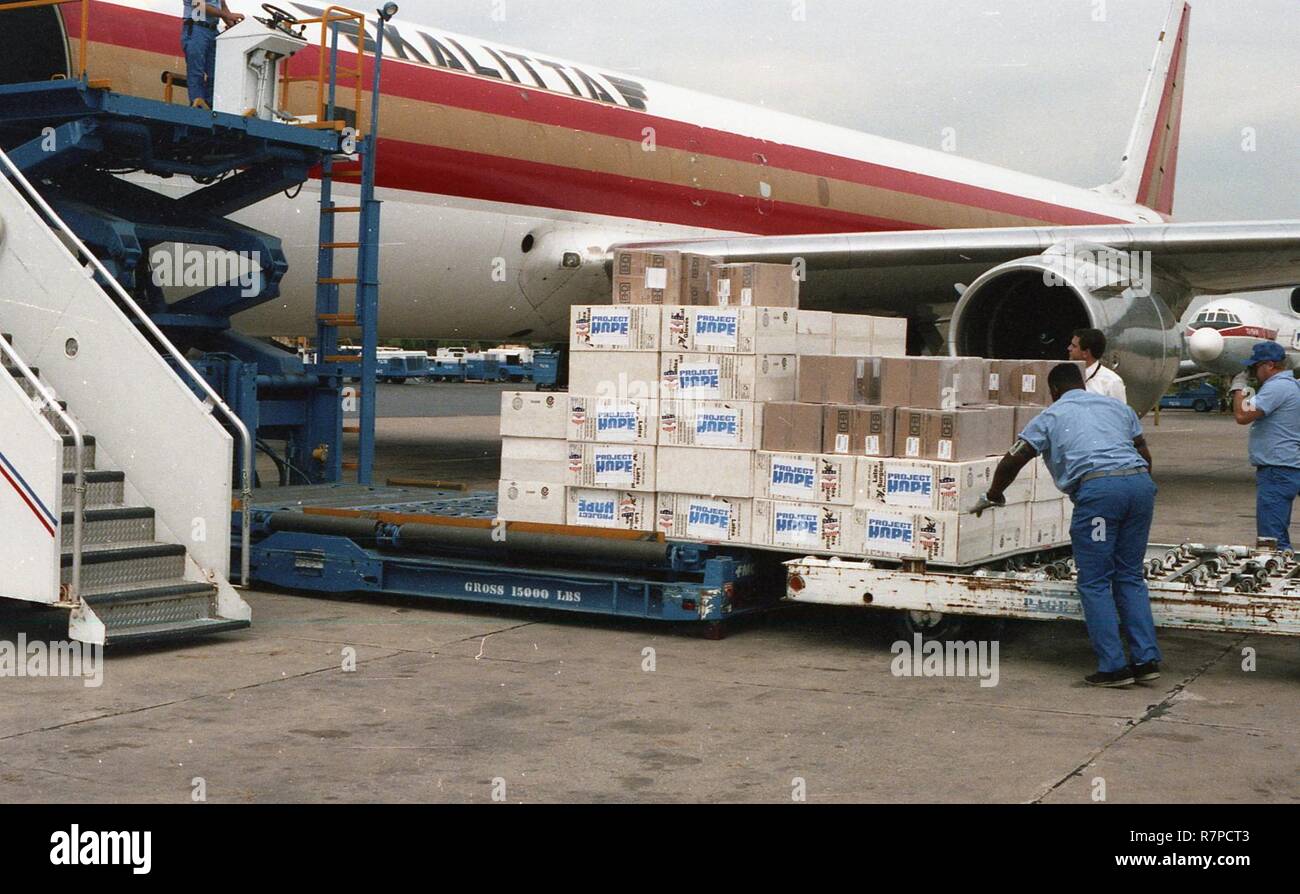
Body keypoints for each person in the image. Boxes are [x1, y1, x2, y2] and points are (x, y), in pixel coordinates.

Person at [973, 363, 1160, 688]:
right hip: (1140, 487)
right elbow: (1144, 452)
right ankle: (1146, 660)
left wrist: (994, 495)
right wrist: (1135, 487)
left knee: (1096, 581)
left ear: (1054, 390)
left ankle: (1114, 667)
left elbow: (1013, 459)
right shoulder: (1118, 408)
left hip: (1101, 492)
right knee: (1129, 575)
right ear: (1082, 385)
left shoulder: (1050, 416)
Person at [1228, 341, 1300, 550]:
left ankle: (1278, 575)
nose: (1253, 373)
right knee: (1277, 533)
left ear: (1269, 365)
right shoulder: (1292, 385)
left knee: (1271, 539)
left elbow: (1242, 415)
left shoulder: (1277, 387)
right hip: (1289, 463)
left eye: (1255, 367)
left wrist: (1239, 386)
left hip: (1277, 468)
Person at [182, 0, 244, 108]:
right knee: (197, 70)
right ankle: (198, 106)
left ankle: (211, 105)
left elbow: (223, 6)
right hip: (197, 28)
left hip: (212, 31)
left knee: (217, 72)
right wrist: (228, 15)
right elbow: (199, 5)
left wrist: (233, 25)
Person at [1068, 328, 1127, 404]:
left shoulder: (1112, 382)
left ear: (1086, 353)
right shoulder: (1066, 376)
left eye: (1074, 346)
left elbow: (1119, 414)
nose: (1069, 348)